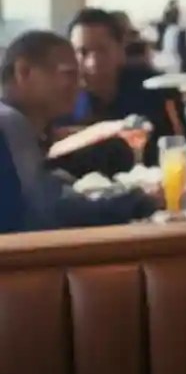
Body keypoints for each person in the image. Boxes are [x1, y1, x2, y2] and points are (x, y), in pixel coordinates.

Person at [0, 31, 157, 228]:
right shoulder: (9, 124)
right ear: (24, 72)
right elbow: (45, 212)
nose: (81, 85)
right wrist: (138, 202)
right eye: (69, 74)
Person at [64, 7, 186, 165]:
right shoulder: (59, 101)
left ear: (120, 51)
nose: (92, 63)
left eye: (102, 51)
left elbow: (181, 154)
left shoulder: (157, 92)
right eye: (82, 52)